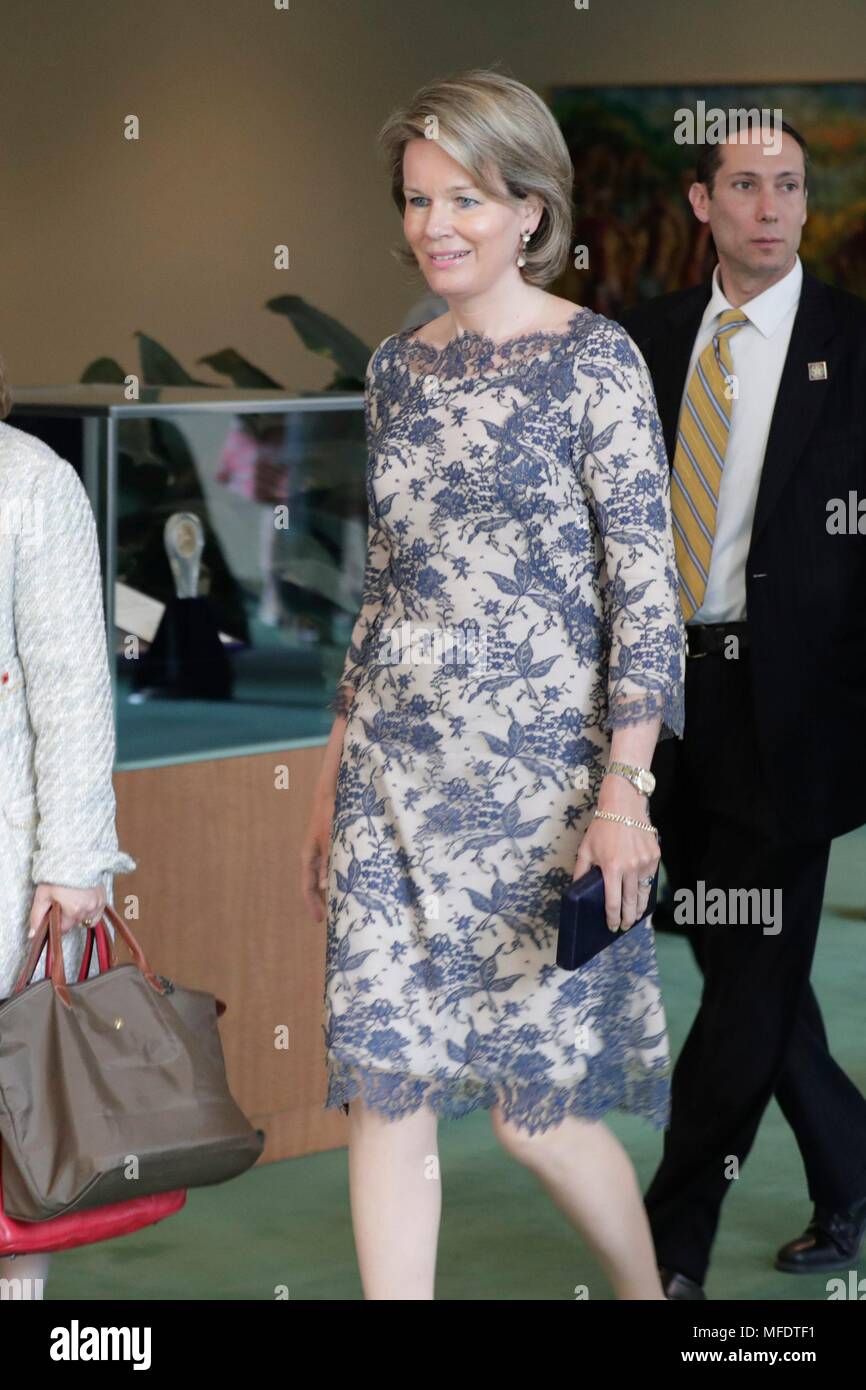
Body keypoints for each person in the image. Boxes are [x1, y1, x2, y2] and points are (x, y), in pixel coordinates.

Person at [301, 68, 685, 1301]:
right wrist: (327, 784)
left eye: (465, 198)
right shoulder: (393, 371)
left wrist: (623, 792)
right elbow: (382, 594)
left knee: (534, 1111)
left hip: (537, 796)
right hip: (388, 789)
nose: (435, 227)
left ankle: (648, 1295)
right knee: (388, 1089)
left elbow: (645, 597)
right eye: (416, 200)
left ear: (529, 208)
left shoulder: (596, 361)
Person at [618, 117, 866, 1299]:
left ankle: (670, 1246)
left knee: (745, 980)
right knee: (745, 966)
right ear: (700, 200)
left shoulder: (854, 347)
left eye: (788, 186)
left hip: (795, 712)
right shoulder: (644, 342)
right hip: (660, 704)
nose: (769, 206)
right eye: (743, 185)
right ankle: (854, 1170)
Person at [0, 361, 137, 1298]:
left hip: (11, 860)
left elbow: (75, 691)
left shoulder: (32, 480)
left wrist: (77, 864)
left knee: (19, 1123)